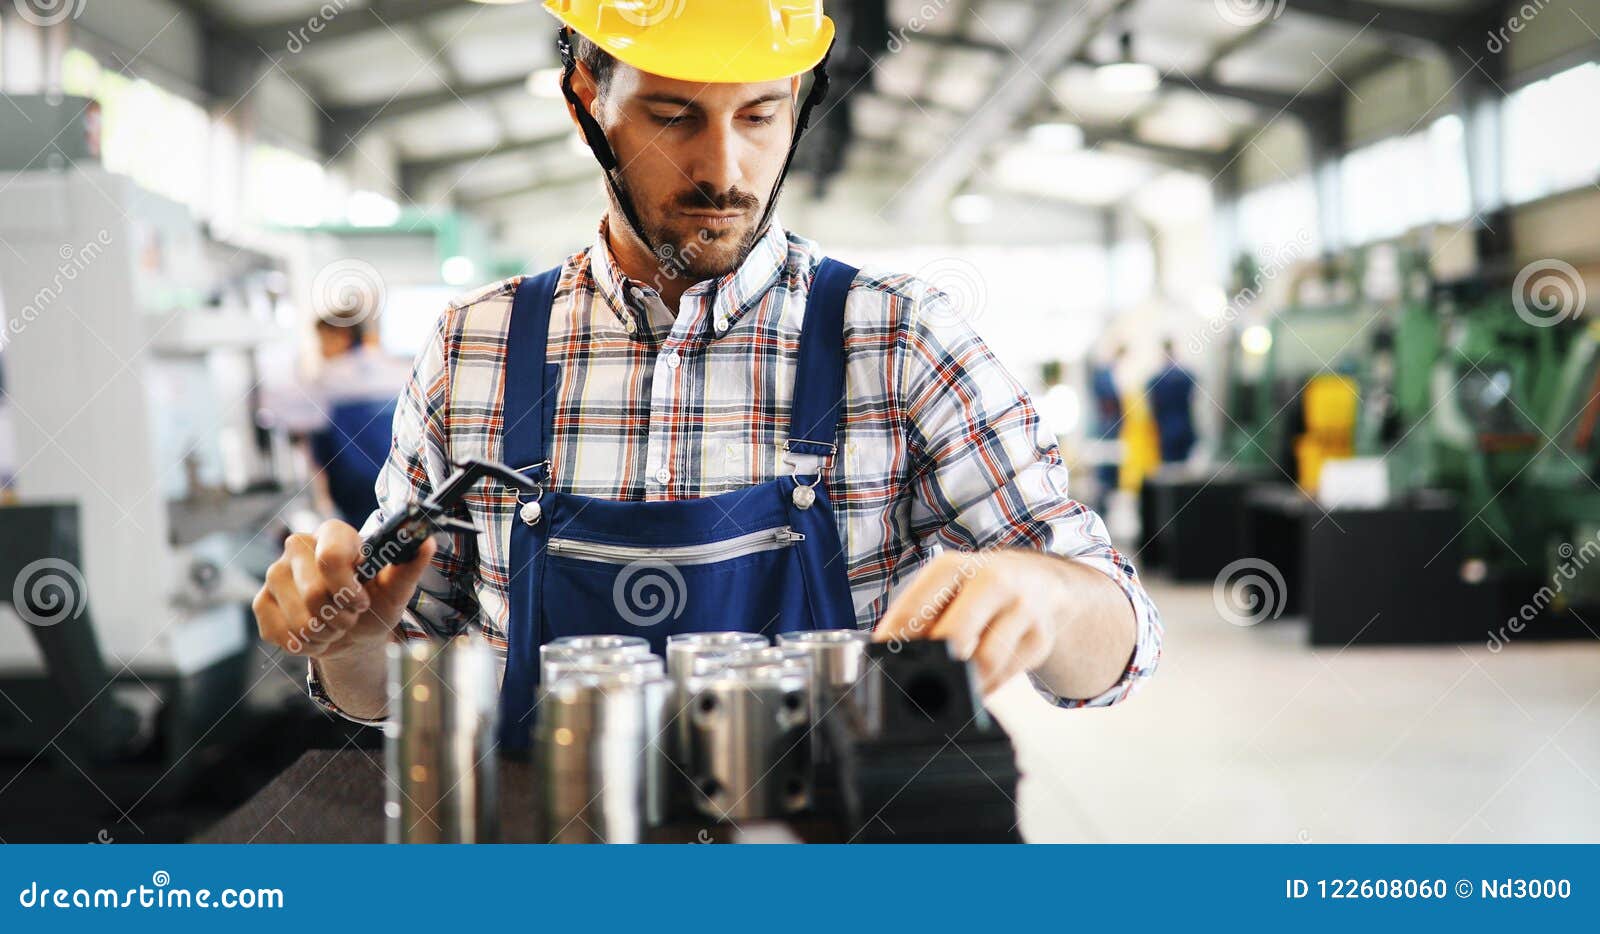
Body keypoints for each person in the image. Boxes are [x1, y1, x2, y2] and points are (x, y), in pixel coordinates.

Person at [251, 0, 1162, 733]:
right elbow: (393, 685)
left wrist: (1047, 593)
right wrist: (351, 644)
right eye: (673, 115)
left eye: (760, 114)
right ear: (586, 97)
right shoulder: (474, 350)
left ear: (800, 101)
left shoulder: (900, 341)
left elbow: (1117, 653)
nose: (724, 168)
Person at [1147, 339, 1197, 464]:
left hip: (1165, 430)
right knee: (1182, 468)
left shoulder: (1155, 379)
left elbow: (1152, 406)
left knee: (1167, 467)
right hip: (1184, 427)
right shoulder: (1186, 376)